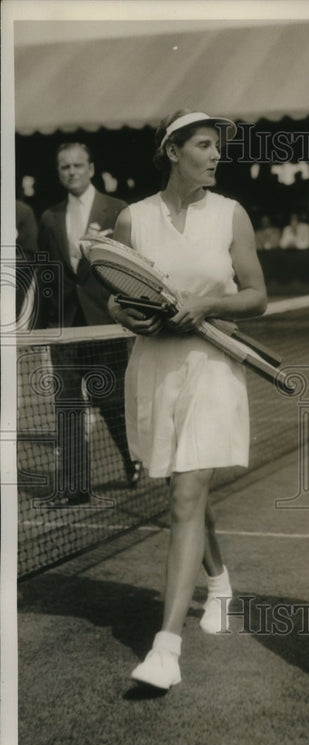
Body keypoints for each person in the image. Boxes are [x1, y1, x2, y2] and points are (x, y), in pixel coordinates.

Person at [108, 109, 268, 689]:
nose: (217, 155)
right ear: (173, 151)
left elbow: (257, 296)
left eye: (218, 147)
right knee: (183, 488)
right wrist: (120, 312)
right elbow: (119, 294)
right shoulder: (132, 219)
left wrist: (208, 306)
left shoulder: (231, 214)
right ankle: (219, 579)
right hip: (154, 367)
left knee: (187, 493)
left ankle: (165, 648)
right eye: (205, 145)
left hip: (212, 364)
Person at [37, 143, 141, 506]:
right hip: (66, 327)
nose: (71, 172)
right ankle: (76, 487)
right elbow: (47, 273)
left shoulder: (118, 210)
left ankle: (134, 460)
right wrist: (44, 324)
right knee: (67, 407)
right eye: (64, 167)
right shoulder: (50, 217)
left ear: (91, 168)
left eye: (78, 165)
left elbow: (131, 266)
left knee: (111, 400)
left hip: (105, 322)